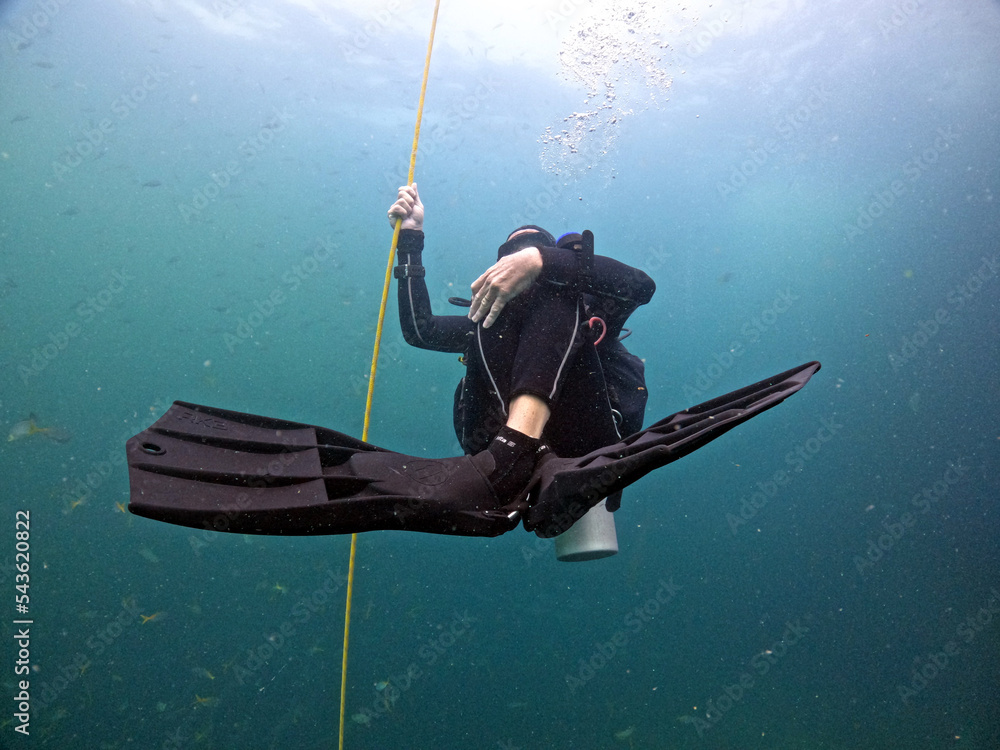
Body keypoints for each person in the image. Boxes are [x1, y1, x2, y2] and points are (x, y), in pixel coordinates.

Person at [387, 183, 656, 508]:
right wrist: (410, 237)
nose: (519, 260)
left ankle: (518, 444)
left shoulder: (591, 310)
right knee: (490, 307)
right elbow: (421, 330)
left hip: (589, 441)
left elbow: (641, 286)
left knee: (556, 290)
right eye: (513, 254)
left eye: (533, 249)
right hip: (493, 449)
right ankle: (513, 447)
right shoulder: (492, 320)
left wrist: (540, 264)